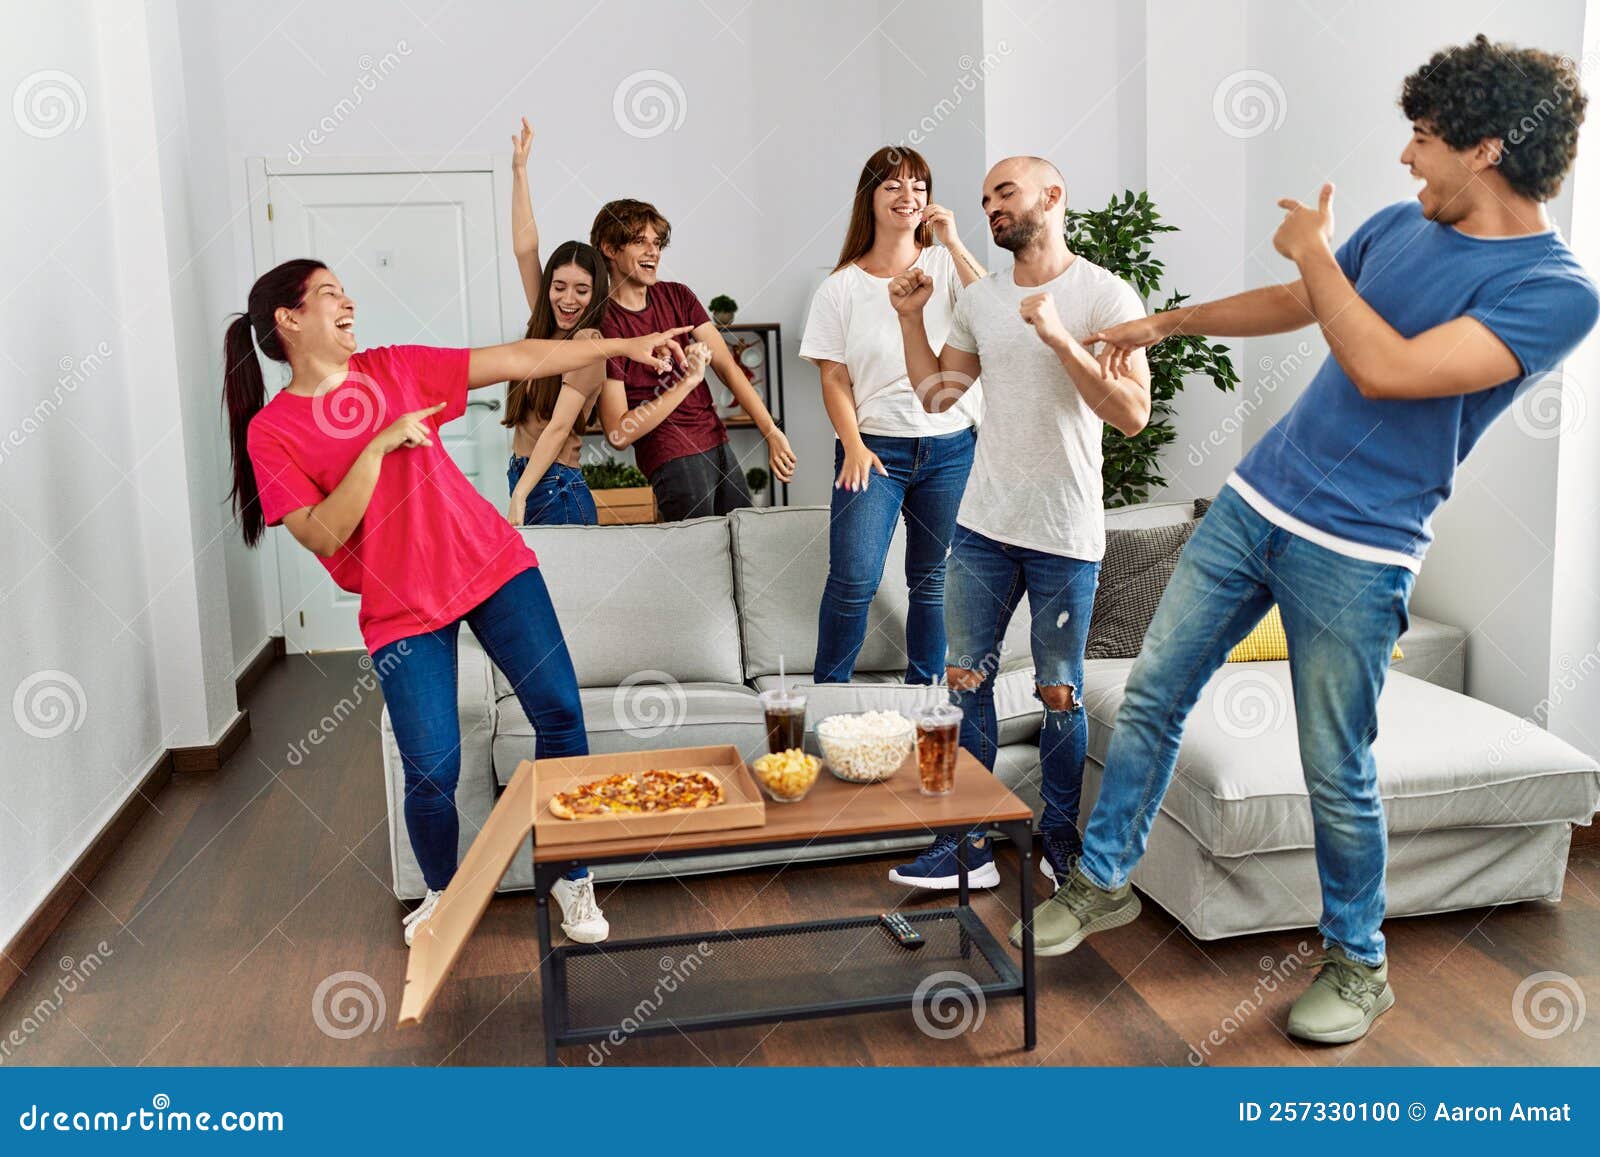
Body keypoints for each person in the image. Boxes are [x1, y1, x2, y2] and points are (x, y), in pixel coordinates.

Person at [1024, 35, 1599, 1046]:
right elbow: (1300, 305)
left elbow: (1390, 367)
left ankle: (1357, 961)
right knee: (1155, 690)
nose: (1406, 158)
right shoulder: (1401, 224)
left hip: (1362, 546)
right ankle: (1103, 880)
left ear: (1489, 150)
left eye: (1422, 138)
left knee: (1335, 761)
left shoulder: (1555, 289)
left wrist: (1318, 256)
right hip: (1255, 503)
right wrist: (1164, 323)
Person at [223, 259, 689, 946]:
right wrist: (378, 446)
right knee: (433, 767)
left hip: (490, 563)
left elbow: (522, 356)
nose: (348, 300)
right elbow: (323, 530)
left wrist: (619, 346)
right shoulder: (274, 431)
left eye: (344, 290)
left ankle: (572, 872)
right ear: (290, 320)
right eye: (329, 294)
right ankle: (445, 891)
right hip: (400, 602)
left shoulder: (392, 367)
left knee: (560, 711)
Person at [887, 156, 1151, 891]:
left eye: (1005, 192)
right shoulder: (984, 298)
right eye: (984, 200)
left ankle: (1059, 842)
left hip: (1064, 530)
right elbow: (939, 394)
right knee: (964, 683)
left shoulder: (1104, 294)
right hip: (982, 524)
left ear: (1053, 195)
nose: (992, 207)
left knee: (1059, 692)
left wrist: (1064, 339)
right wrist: (910, 318)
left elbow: (1132, 416)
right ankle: (962, 843)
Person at [801, 145, 986, 685]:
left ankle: (926, 699)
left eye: (919, 187)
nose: (909, 197)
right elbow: (834, 377)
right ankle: (828, 697)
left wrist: (952, 241)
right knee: (853, 577)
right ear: (870, 199)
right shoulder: (839, 288)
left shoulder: (946, 265)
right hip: (874, 449)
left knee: (933, 580)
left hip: (951, 445)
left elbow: (992, 311)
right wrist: (854, 444)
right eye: (894, 186)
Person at [590, 198, 796, 520]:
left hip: (717, 442)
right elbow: (618, 433)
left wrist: (769, 430)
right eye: (640, 241)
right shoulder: (604, 326)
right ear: (609, 248)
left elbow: (727, 366)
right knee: (698, 565)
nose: (653, 252)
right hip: (672, 458)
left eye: (657, 243)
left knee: (744, 549)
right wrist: (688, 382)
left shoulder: (677, 296)